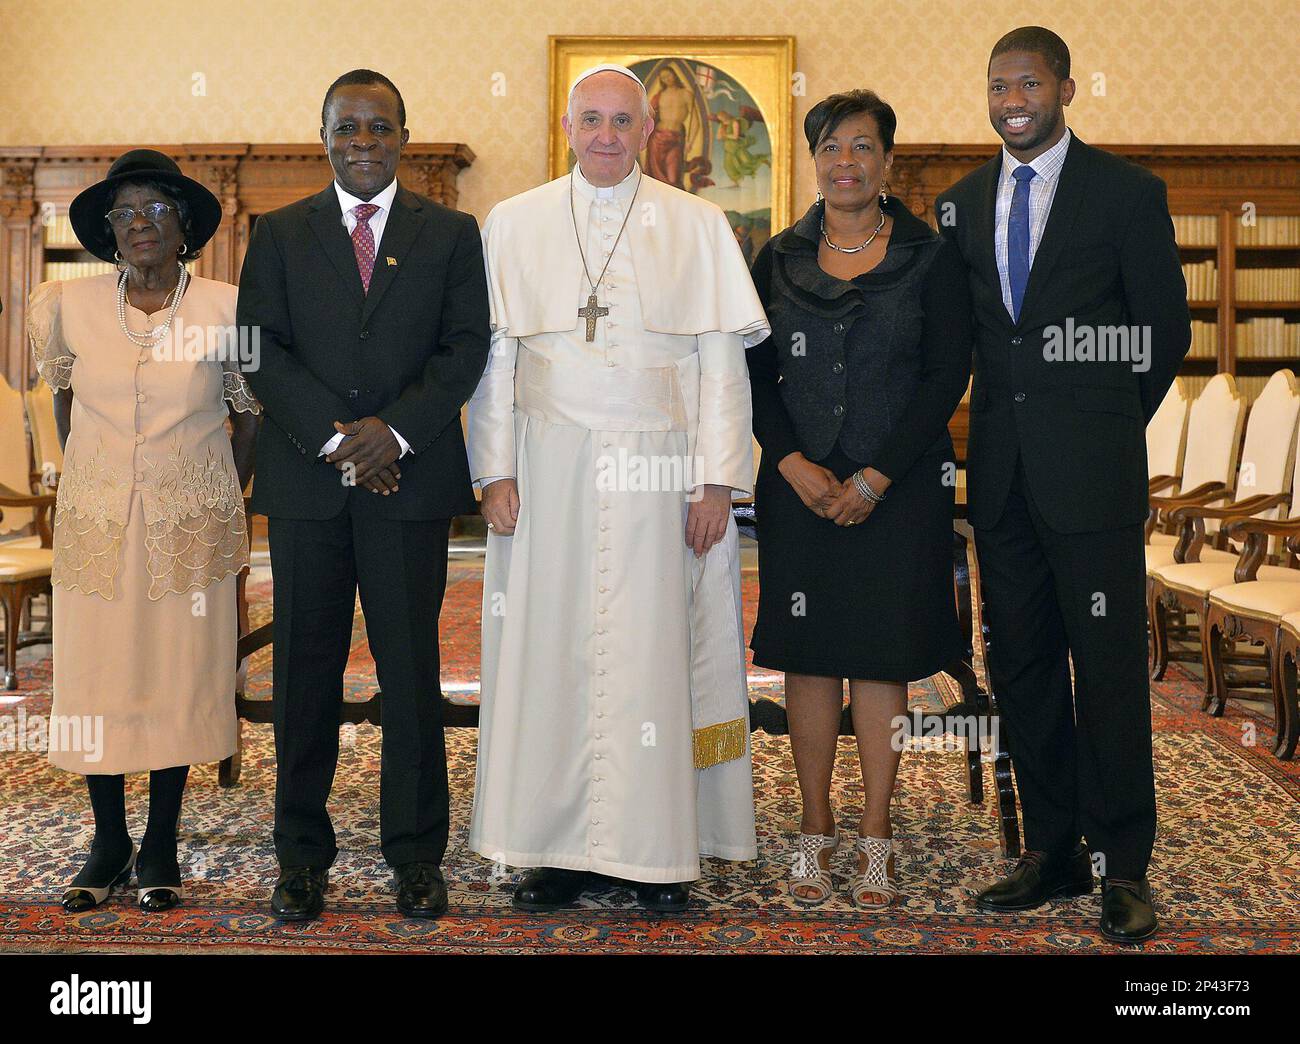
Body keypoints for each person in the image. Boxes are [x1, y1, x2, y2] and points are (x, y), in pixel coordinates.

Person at [468, 64, 768, 913]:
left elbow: (722, 366)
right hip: (546, 470)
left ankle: (658, 853)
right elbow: (494, 357)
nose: (606, 135)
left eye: (622, 121)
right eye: (591, 119)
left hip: (662, 474)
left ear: (648, 132)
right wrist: (493, 469)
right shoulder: (514, 221)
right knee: (551, 651)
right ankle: (553, 847)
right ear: (567, 128)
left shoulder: (697, 224)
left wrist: (716, 481)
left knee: (654, 657)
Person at [936, 27, 1190, 942]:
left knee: (1109, 671)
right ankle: (1051, 850)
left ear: (1067, 89)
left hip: (1092, 481)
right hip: (1001, 482)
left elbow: (1162, 334)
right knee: (1024, 668)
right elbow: (965, 338)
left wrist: (1102, 424)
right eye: (998, 85)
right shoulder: (960, 203)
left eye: (1029, 83)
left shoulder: (1126, 193)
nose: (1012, 100)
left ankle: (1124, 865)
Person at [237, 69, 490, 921]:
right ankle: (300, 858)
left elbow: (466, 347)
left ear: (403, 139)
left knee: (411, 673)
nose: (363, 142)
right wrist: (342, 441)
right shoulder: (278, 232)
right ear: (324, 138)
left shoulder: (451, 233)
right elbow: (258, 347)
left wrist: (396, 433)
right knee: (303, 675)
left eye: (380, 127)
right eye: (347, 127)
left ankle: (416, 856)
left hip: (407, 485)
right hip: (308, 485)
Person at [748, 91, 971, 907]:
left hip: (901, 488)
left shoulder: (932, 257)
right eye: (831, 147)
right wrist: (789, 461)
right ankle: (815, 824)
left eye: (863, 146)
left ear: (887, 160)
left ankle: (876, 829)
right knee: (809, 656)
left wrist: (878, 476)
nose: (846, 161)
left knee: (883, 655)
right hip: (801, 487)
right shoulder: (776, 257)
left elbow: (945, 375)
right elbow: (751, 374)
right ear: (814, 161)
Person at [29, 148, 259, 912]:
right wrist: (98, 476)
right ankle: (108, 840)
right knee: (96, 676)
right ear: (107, 229)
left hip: (189, 528)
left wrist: (220, 495)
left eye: (156, 208)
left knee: (176, 677)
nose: (140, 223)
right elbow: (65, 404)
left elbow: (249, 417)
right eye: (124, 212)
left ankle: (160, 842)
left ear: (185, 223)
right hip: (97, 526)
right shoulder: (67, 305)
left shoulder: (229, 307)